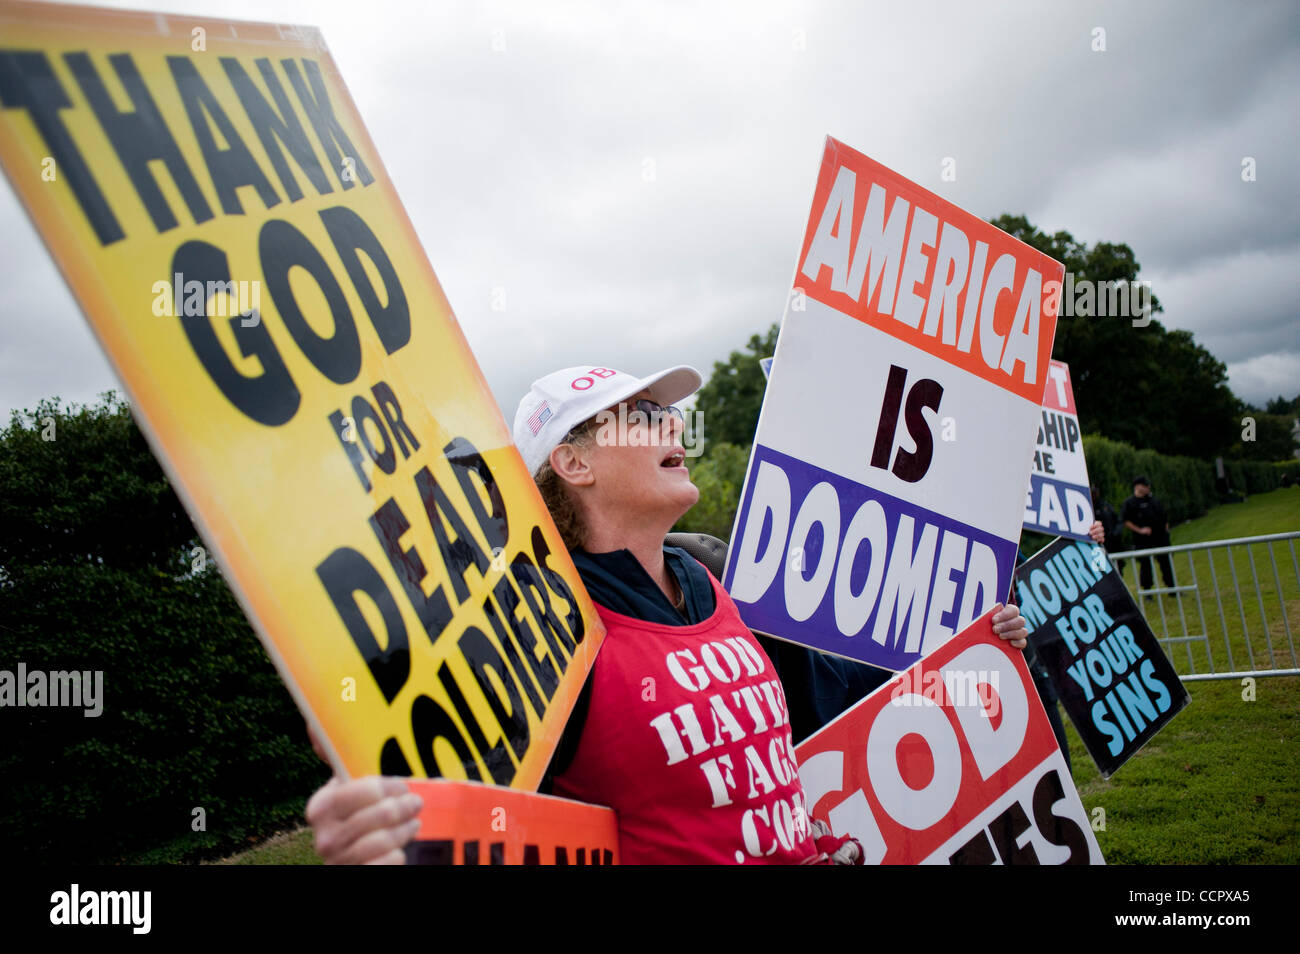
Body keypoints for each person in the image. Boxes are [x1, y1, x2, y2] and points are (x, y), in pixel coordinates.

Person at [305, 363, 1033, 864]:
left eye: (669, 412)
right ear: (574, 464)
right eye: (642, 416)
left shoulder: (715, 577)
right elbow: (426, 757)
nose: (672, 425)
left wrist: (972, 650)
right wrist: (375, 810)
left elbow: (834, 693)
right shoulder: (545, 627)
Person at [1121, 475, 1174, 592]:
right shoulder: (1130, 503)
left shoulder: (1153, 500)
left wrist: (1165, 529)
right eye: (1145, 486)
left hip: (1160, 537)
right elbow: (1125, 520)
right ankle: (1147, 590)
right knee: (1145, 565)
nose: (1148, 488)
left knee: (1165, 562)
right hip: (1142, 540)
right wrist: (1140, 530)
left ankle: (1172, 587)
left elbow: (1164, 515)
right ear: (1138, 486)